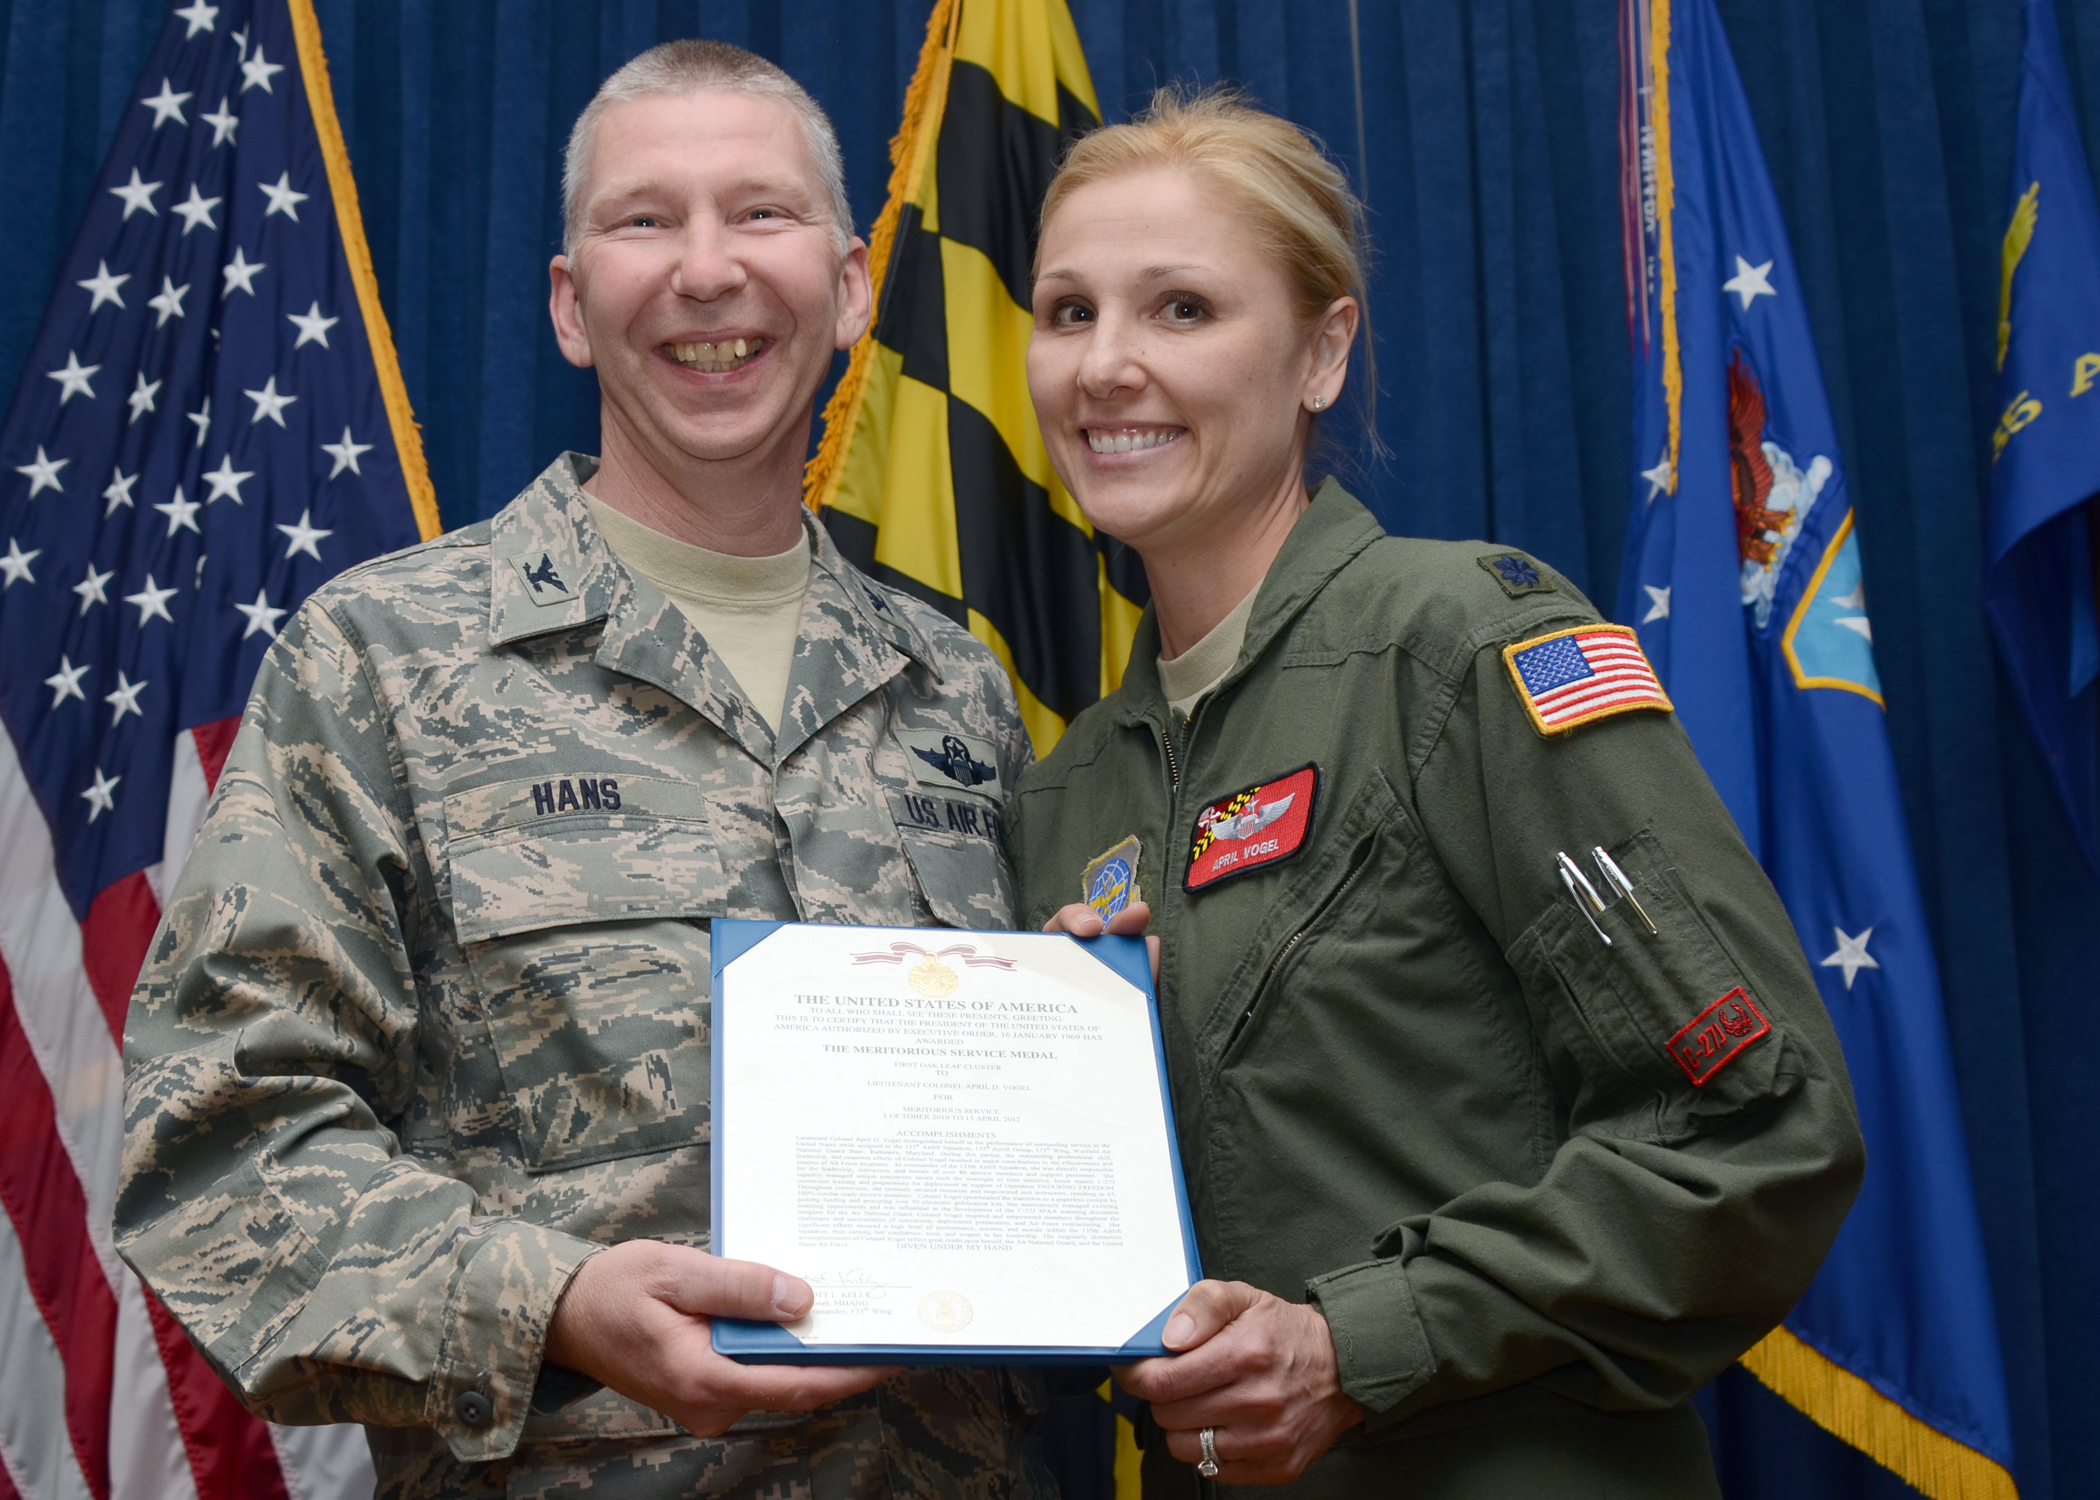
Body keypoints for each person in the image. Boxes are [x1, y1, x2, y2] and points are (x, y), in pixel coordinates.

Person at [116, 41, 1054, 1500]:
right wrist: (546, 1301)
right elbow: (218, 1144)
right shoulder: (382, 658)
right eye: (641, 221)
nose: (704, 271)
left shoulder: (960, 692)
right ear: (569, 303)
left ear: (854, 282)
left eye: (759, 213)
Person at [1010, 89, 1866, 1496]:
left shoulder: (1466, 649)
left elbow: (1761, 1127)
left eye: (1180, 310)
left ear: (1322, 353)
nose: (1106, 367)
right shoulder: (1068, 789)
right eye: (1067, 311)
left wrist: (1357, 1344)